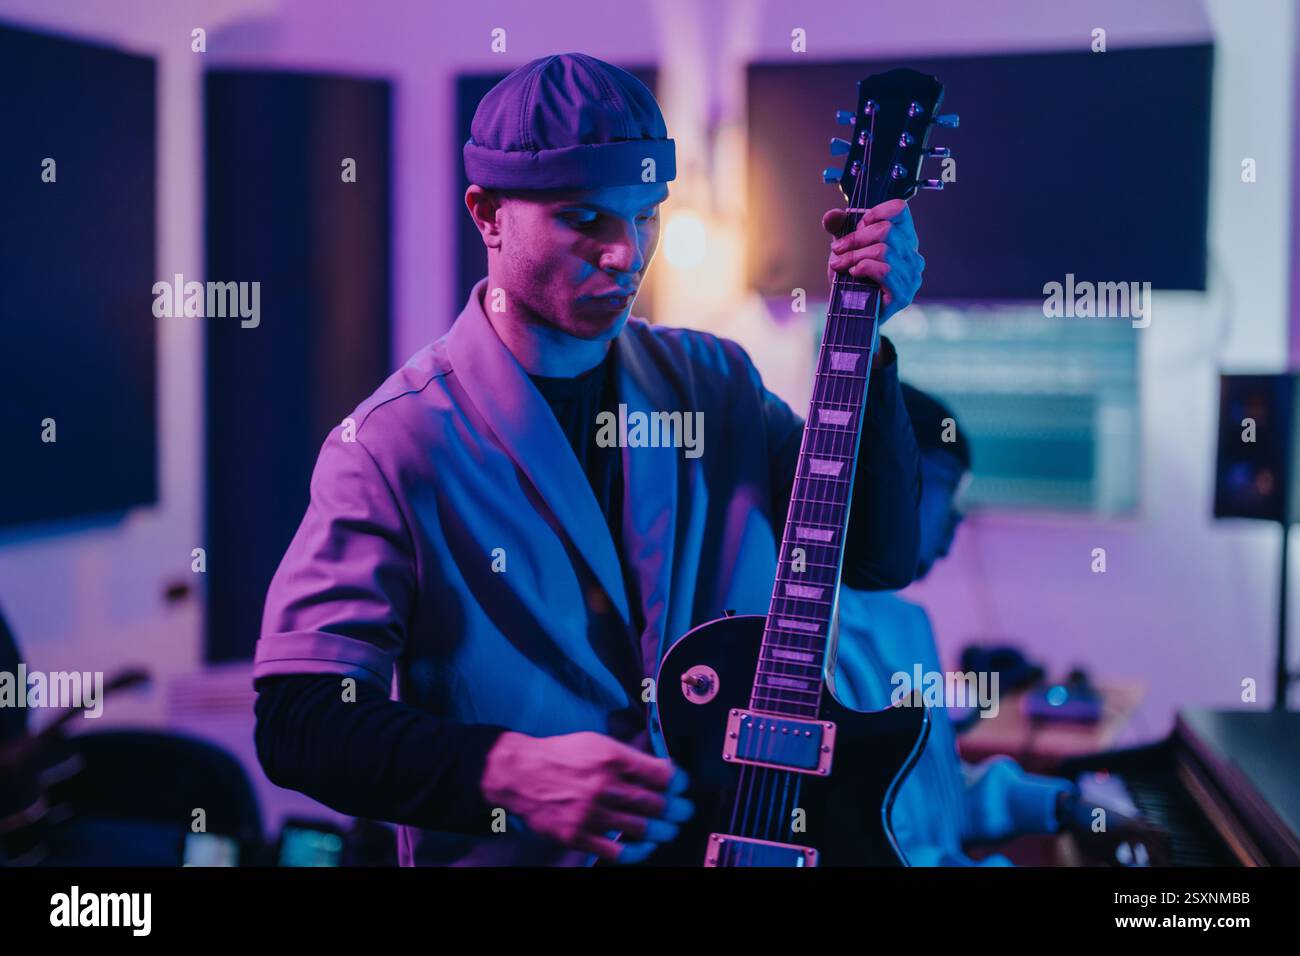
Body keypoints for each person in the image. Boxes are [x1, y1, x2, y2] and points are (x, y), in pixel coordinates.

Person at [253, 52, 926, 866]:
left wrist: (872, 342)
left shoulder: (716, 381)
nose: (626, 254)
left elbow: (883, 556)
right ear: (487, 213)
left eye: (647, 215)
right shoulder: (392, 444)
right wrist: (505, 770)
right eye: (585, 219)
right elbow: (300, 720)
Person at [832, 386, 1163, 866]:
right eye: (947, 488)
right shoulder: (818, 645)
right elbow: (880, 848)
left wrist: (1063, 806)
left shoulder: (907, 623)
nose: (956, 521)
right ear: (890, 479)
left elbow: (936, 791)